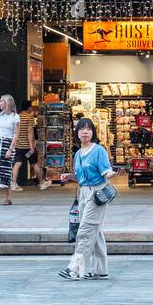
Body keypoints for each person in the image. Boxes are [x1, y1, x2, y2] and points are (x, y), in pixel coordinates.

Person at [58, 117, 114, 280]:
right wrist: (69, 177)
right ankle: (101, 270)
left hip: (97, 194)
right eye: (82, 128)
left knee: (85, 231)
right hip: (83, 193)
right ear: (77, 132)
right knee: (95, 232)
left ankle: (74, 269)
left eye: (88, 129)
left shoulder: (99, 150)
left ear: (93, 132)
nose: (85, 131)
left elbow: (106, 171)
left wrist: (112, 173)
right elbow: (81, 176)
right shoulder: (78, 154)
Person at [11, 99, 37, 191]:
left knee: (17, 164)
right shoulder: (29, 117)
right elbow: (30, 132)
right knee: (35, 163)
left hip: (18, 146)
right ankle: (42, 182)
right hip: (27, 146)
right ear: (29, 107)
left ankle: (13, 183)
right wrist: (31, 147)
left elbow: (14, 131)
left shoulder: (17, 116)